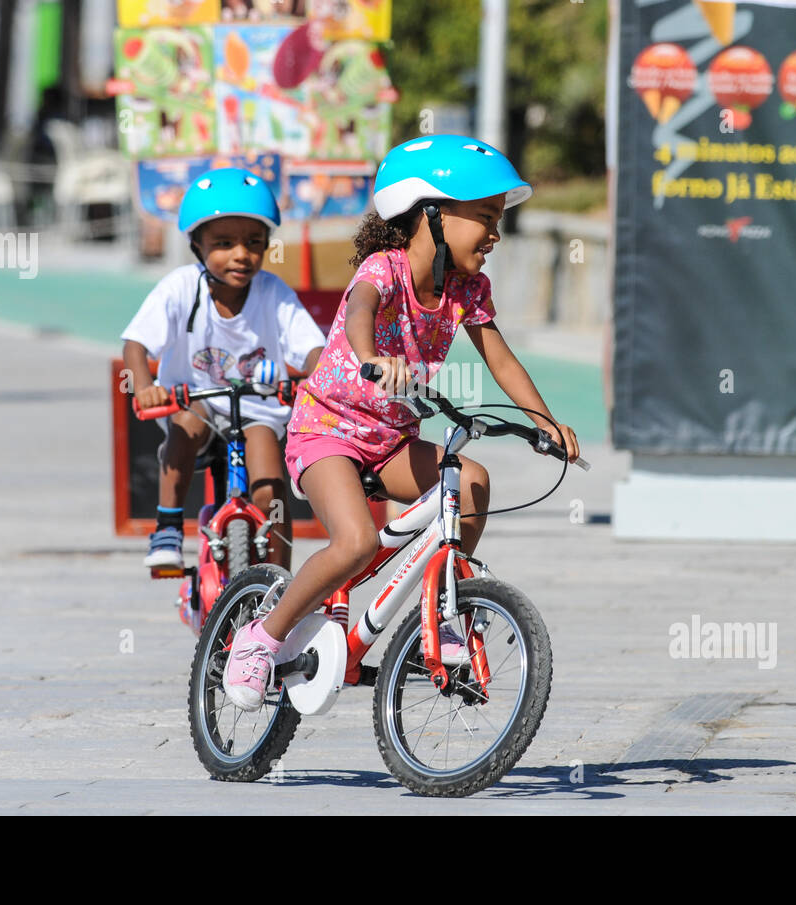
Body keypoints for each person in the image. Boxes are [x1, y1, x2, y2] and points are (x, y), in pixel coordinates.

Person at [221, 134, 581, 710]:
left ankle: (444, 614)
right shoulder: (383, 268)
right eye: (484, 217)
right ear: (430, 215)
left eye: (497, 220)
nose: (495, 233)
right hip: (327, 431)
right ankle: (260, 639)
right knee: (357, 540)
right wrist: (370, 357)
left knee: (473, 480)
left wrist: (546, 424)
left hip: (391, 440)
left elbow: (499, 357)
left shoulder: (468, 290)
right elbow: (361, 308)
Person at [121, 167, 325, 571]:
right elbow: (136, 344)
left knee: (271, 485)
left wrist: (320, 381)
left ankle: (280, 576)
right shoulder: (181, 287)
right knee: (185, 430)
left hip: (258, 410)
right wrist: (145, 385)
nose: (241, 254)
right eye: (224, 243)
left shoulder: (274, 293)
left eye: (254, 242)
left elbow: (313, 348)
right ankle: (167, 527)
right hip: (195, 399)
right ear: (196, 244)